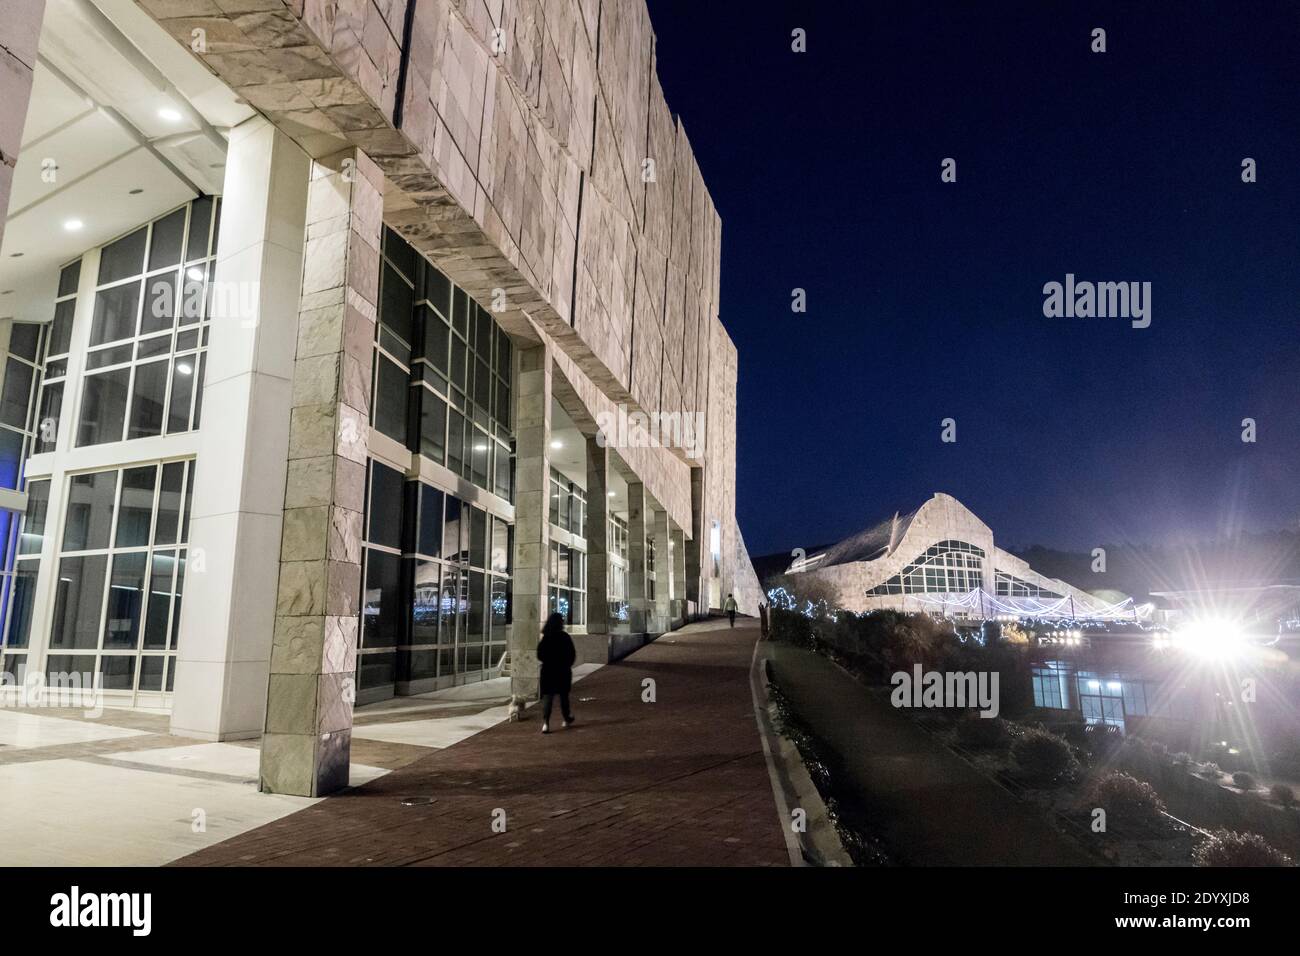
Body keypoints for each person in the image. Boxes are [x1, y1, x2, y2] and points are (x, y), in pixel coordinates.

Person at [537, 612, 576, 734]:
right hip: (562, 671)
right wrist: (566, 664)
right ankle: (566, 719)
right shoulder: (564, 637)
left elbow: (540, 654)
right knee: (564, 697)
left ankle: (546, 723)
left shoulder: (546, 637)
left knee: (548, 698)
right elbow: (571, 654)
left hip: (548, 672)